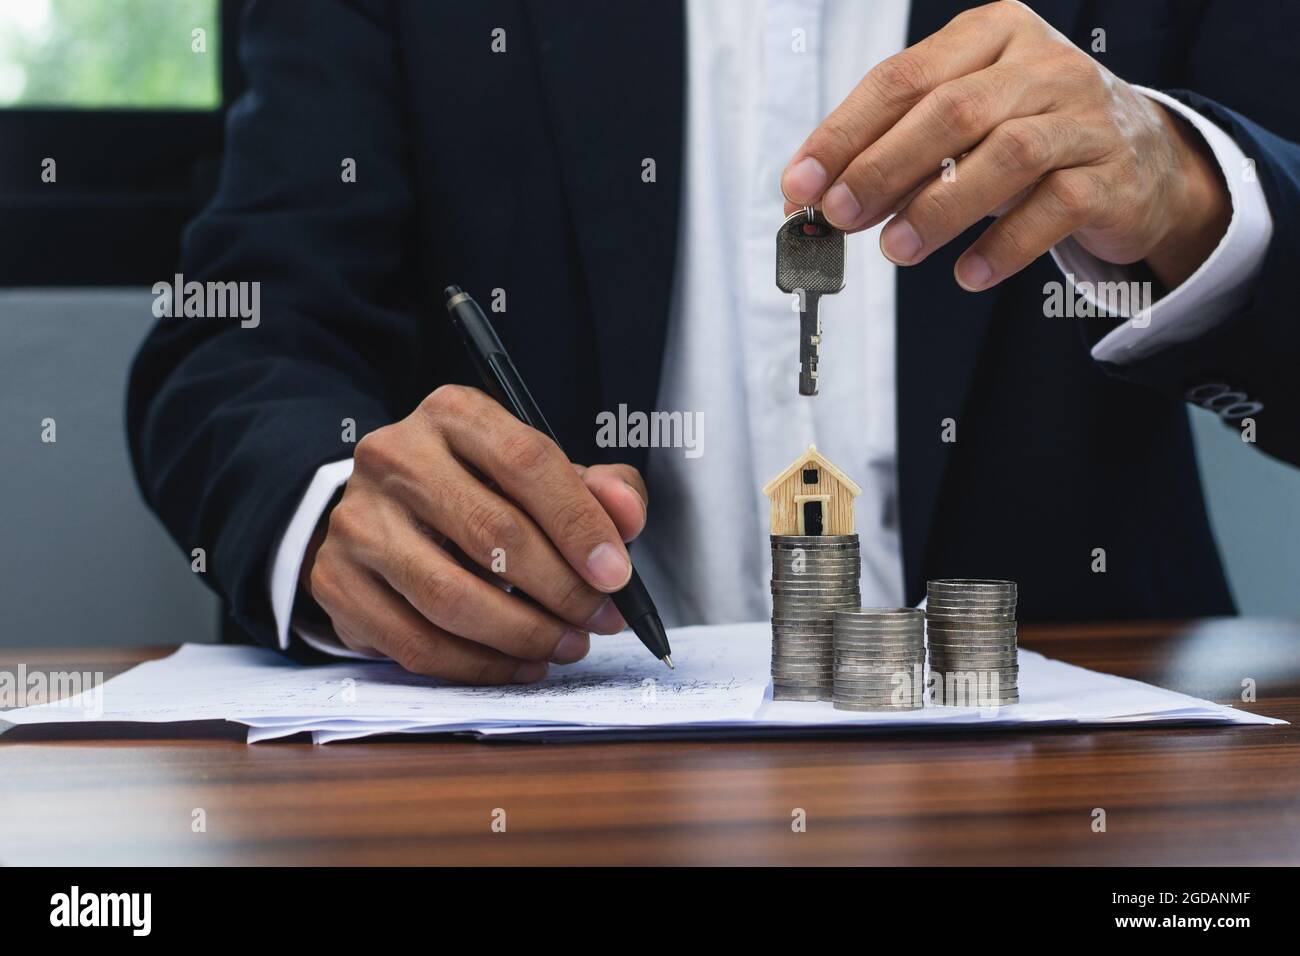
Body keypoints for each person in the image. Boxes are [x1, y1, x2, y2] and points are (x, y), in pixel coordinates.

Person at [128, 0, 1300, 684]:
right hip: (533, 789)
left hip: (1084, 786)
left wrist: (1200, 190)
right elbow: (236, 333)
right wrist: (336, 507)